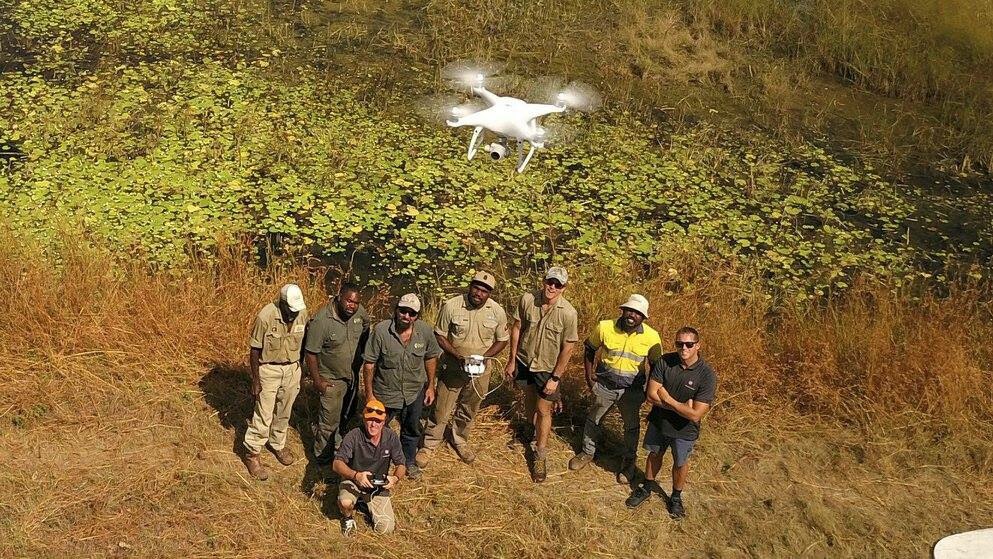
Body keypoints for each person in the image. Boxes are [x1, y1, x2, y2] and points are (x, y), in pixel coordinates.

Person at [416, 271, 509, 468]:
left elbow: (502, 340)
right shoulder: (452, 305)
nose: (479, 293)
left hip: (481, 370)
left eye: (484, 291)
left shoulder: (497, 312)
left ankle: (460, 440)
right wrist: (456, 356)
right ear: (470, 286)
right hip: (453, 366)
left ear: (489, 293)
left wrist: (485, 358)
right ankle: (429, 444)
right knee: (441, 407)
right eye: (476, 287)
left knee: (469, 407)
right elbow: (439, 335)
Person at [625, 326, 717, 519]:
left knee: (680, 462)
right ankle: (647, 486)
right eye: (679, 343)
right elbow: (651, 395)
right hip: (660, 421)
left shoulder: (706, 375)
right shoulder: (665, 361)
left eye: (689, 344)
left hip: (685, 429)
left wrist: (667, 398)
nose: (684, 348)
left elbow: (695, 415)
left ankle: (675, 497)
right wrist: (682, 406)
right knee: (654, 454)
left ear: (697, 346)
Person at [569, 294, 662, 484]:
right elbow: (589, 349)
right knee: (594, 420)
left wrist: (648, 391)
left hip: (632, 391)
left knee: (631, 428)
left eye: (637, 313)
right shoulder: (605, 327)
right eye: (629, 310)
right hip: (605, 386)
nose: (632, 315)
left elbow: (656, 366)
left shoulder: (652, 337)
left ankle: (628, 464)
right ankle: (587, 453)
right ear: (623, 310)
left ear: (643, 317)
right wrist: (589, 378)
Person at [503, 266, 579, 482]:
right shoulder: (528, 299)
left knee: (544, 409)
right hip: (525, 360)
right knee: (528, 397)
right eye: (550, 282)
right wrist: (512, 359)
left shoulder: (568, 313)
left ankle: (540, 453)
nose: (552, 287)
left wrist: (556, 378)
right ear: (544, 280)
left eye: (558, 284)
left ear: (564, 288)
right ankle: (528, 429)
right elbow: (517, 328)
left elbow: (568, 347)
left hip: (547, 367)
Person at [362, 293, 442, 480]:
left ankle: (408, 462)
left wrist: (430, 386)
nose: (406, 316)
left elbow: (431, 357)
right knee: (375, 428)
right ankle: (371, 462)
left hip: (414, 391)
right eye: (403, 311)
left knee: (412, 429)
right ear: (396, 310)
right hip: (385, 392)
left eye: (411, 313)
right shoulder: (381, 331)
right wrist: (369, 395)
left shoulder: (425, 332)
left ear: (417, 316)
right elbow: (369, 364)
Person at [243, 283, 309, 480]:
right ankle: (252, 452)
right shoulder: (266, 316)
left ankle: (277, 443)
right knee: (263, 412)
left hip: (292, 368)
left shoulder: (302, 313)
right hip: (269, 369)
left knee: (284, 410)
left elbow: (303, 340)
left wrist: (300, 367)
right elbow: (255, 349)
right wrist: (255, 379)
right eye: (290, 309)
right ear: (282, 303)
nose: (293, 313)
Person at [304, 282, 370, 467]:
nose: (352, 306)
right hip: (331, 379)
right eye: (349, 301)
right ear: (339, 297)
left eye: (356, 303)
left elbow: (366, 328)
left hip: (352, 376)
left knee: (347, 415)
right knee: (328, 423)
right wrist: (317, 381)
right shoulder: (322, 321)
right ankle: (322, 459)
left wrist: (362, 356)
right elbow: (311, 353)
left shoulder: (359, 313)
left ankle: (339, 445)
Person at [333, 399, 406, 536]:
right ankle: (347, 517)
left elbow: (401, 465)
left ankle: (362, 502)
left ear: (383, 422)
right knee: (345, 502)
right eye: (370, 420)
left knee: (385, 529)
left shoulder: (391, 437)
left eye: (378, 421)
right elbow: (337, 464)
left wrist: (395, 478)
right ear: (364, 420)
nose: (373, 424)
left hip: (377, 485)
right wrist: (356, 475)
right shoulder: (353, 435)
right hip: (354, 480)